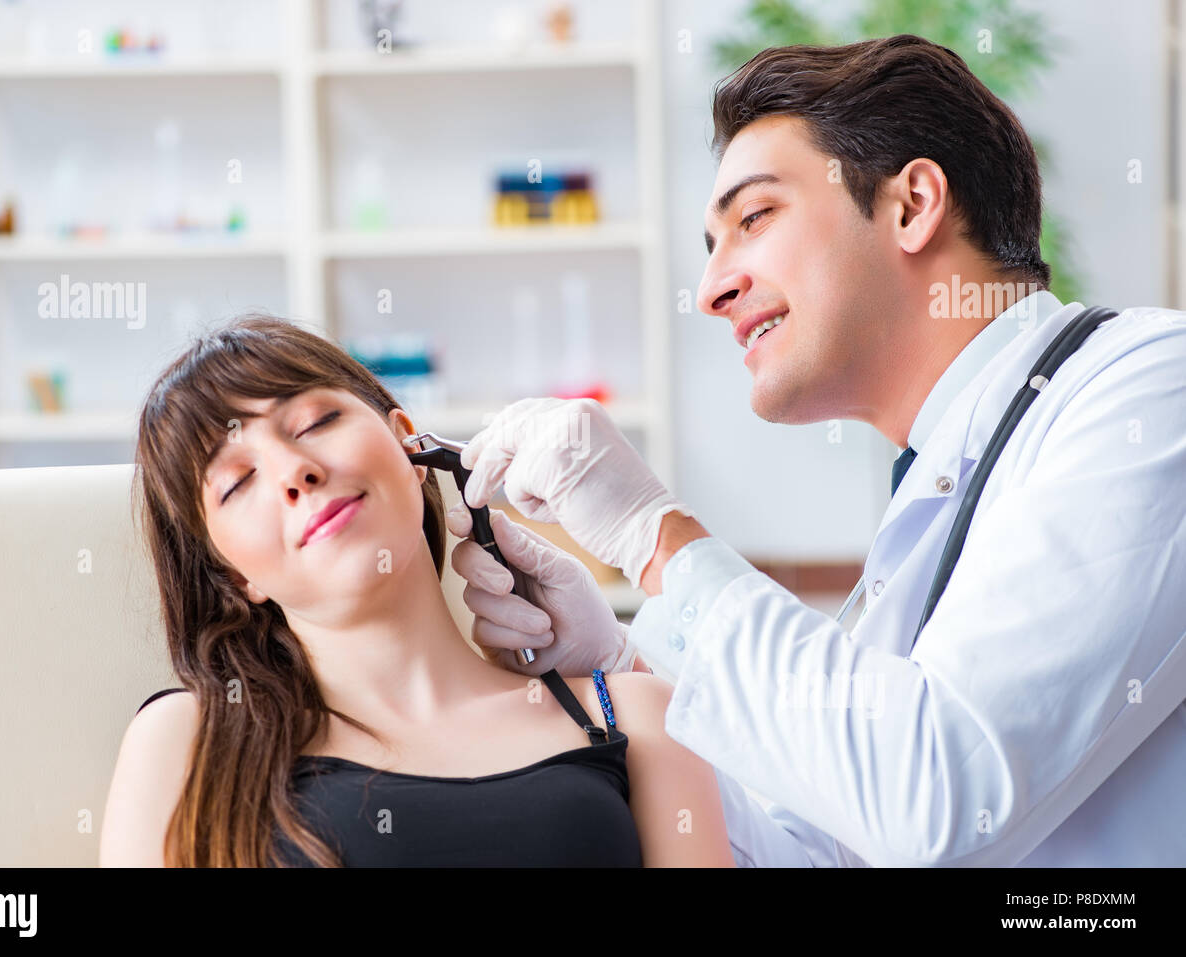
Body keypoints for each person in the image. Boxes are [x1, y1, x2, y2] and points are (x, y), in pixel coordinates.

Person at [448, 35, 1186, 866]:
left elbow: (939, 794)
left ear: (912, 205)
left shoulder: (1152, 386)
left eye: (754, 218)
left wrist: (656, 539)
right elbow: (822, 850)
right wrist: (620, 666)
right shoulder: (930, 502)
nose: (711, 290)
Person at [97, 314, 734, 867]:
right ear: (237, 575)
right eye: (237, 483)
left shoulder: (633, 713)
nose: (295, 471)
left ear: (409, 443)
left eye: (315, 422)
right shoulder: (188, 743)